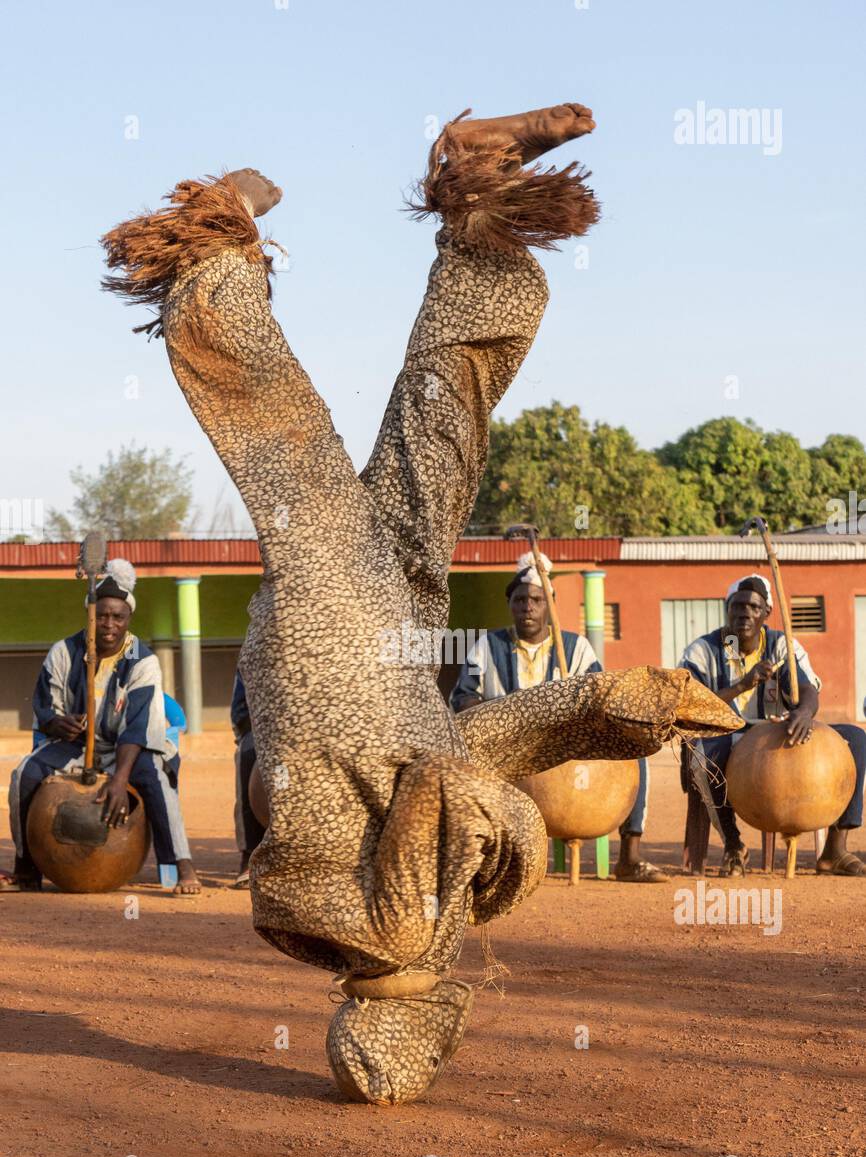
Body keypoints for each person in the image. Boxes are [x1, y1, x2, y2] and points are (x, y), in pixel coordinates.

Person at [100, 103, 740, 1104]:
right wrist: (616, 705)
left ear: (411, 1020)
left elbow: (450, 787)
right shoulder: (333, 929)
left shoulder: (396, 930)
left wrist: (551, 784)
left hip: (338, 651)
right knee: (439, 428)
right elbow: (463, 755)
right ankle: (476, 197)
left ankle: (213, 259)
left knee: (295, 453)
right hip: (377, 658)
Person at [450, 551, 664, 881]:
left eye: (536, 599)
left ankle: (630, 857)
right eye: (520, 600)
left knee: (638, 754)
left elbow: (602, 699)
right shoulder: (485, 646)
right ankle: (478, 862)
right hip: (508, 750)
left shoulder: (576, 648)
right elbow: (462, 696)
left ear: (550, 604)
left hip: (565, 749)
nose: (528, 607)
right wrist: (495, 719)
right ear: (510, 605)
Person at [1, 559, 200, 894]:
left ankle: (181, 865)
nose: (109, 624)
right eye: (102, 615)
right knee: (24, 774)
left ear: (128, 619)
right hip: (76, 745)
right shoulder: (64, 652)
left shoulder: (142, 659)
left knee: (155, 778)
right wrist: (56, 723)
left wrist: (120, 779)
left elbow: (138, 727)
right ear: (90, 616)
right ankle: (25, 869)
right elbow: (45, 706)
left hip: (130, 748)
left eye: (117, 617)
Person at [680, 573, 866, 876]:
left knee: (856, 739)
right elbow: (689, 704)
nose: (744, 613)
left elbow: (808, 691)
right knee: (703, 754)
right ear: (727, 609)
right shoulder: (705, 650)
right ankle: (733, 844)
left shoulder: (781, 644)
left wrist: (804, 713)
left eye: (754, 607)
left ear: (766, 613)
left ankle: (835, 848)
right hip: (726, 736)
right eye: (737, 606)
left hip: (778, 734)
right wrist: (742, 684)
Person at [231, 666, 263, 888]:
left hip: (311, 728)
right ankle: (249, 854)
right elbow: (241, 710)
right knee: (247, 752)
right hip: (261, 726)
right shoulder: (253, 649)